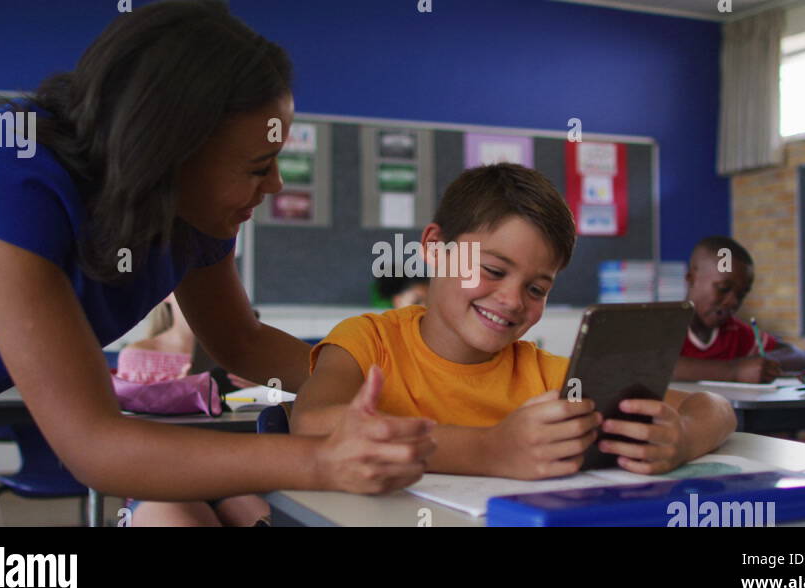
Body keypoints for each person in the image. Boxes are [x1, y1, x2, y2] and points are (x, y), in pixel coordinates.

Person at [0, 0, 433, 526]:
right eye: (259, 166)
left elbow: (243, 341)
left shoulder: (189, 216)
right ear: (166, 151)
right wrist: (322, 462)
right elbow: (93, 446)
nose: (277, 184)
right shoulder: (9, 174)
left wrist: (414, 394)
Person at [291, 164, 736, 479]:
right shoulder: (369, 341)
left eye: (537, 289)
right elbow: (310, 422)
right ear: (434, 247)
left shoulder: (545, 374)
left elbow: (715, 408)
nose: (512, 300)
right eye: (494, 270)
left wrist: (684, 437)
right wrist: (490, 451)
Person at [116, 295, 270, 526]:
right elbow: (129, 436)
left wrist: (264, 390)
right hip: (160, 481)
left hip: (225, 474)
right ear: (165, 293)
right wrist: (176, 393)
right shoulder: (137, 355)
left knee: (267, 518)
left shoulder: (240, 355)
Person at [672, 237, 805, 384]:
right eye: (723, 288)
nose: (733, 301)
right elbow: (654, 367)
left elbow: (796, 355)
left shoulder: (735, 331)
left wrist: (765, 364)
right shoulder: (660, 325)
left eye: (741, 294)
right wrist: (734, 371)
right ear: (691, 278)